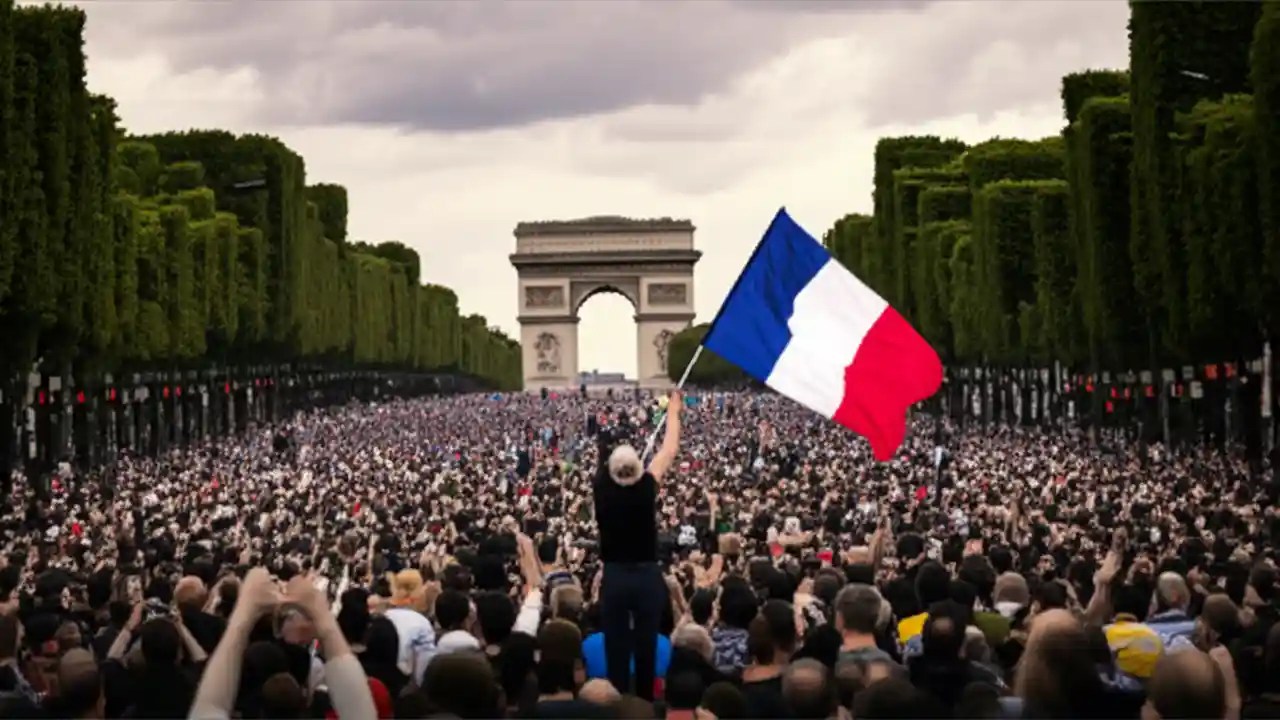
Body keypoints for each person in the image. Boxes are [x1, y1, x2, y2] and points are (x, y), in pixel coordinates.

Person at [593, 390, 682, 701]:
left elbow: (603, 458)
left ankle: (617, 702)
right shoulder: (646, 488)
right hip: (647, 576)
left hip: (614, 577)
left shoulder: (601, 488)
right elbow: (668, 450)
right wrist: (672, 412)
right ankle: (645, 703)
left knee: (615, 647)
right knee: (646, 646)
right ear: (639, 470)